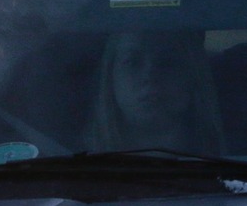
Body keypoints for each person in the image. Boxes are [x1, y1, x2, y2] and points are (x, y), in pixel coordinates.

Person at [88, 30, 223, 153]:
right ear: (110, 77)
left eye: (167, 62)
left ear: (193, 75)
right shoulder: (78, 161)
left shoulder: (233, 158)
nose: (149, 75)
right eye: (132, 62)